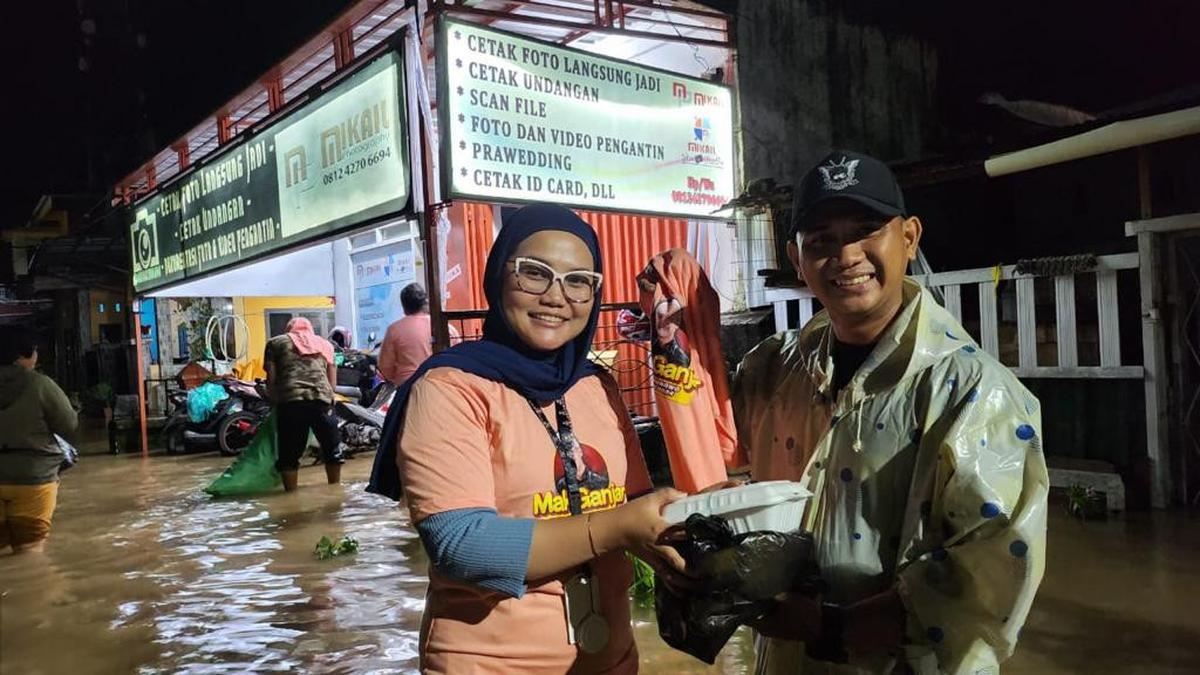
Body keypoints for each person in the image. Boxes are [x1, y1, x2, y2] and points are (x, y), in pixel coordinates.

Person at [723, 150, 1049, 673]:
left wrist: (828, 626)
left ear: (909, 237)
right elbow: (709, 436)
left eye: (866, 229)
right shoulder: (777, 369)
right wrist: (676, 334)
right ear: (796, 257)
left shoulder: (971, 390)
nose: (846, 255)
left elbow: (989, 576)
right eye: (822, 239)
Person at [367, 203, 686, 674]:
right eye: (535, 274)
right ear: (498, 278)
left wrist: (701, 515)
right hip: (490, 664)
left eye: (579, 280)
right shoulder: (451, 388)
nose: (557, 296)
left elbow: (635, 507)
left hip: (611, 658)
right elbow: (461, 546)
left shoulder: (598, 386)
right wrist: (616, 527)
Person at [0, 326, 78, 554]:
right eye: (34, 351)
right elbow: (69, 425)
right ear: (23, 355)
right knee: (29, 557)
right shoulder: (41, 385)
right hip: (33, 479)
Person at [262, 317, 343, 492]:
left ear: (289, 330)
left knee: (289, 456)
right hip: (322, 402)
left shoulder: (275, 343)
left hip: (291, 402)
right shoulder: (325, 345)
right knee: (333, 451)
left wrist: (275, 403)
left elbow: (272, 380)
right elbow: (333, 385)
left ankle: (291, 495)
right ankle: (336, 491)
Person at [377, 283, 460, 386]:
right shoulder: (445, 327)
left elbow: (385, 367)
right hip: (441, 386)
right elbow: (458, 359)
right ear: (425, 303)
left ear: (404, 307)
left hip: (407, 387)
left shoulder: (394, 330)